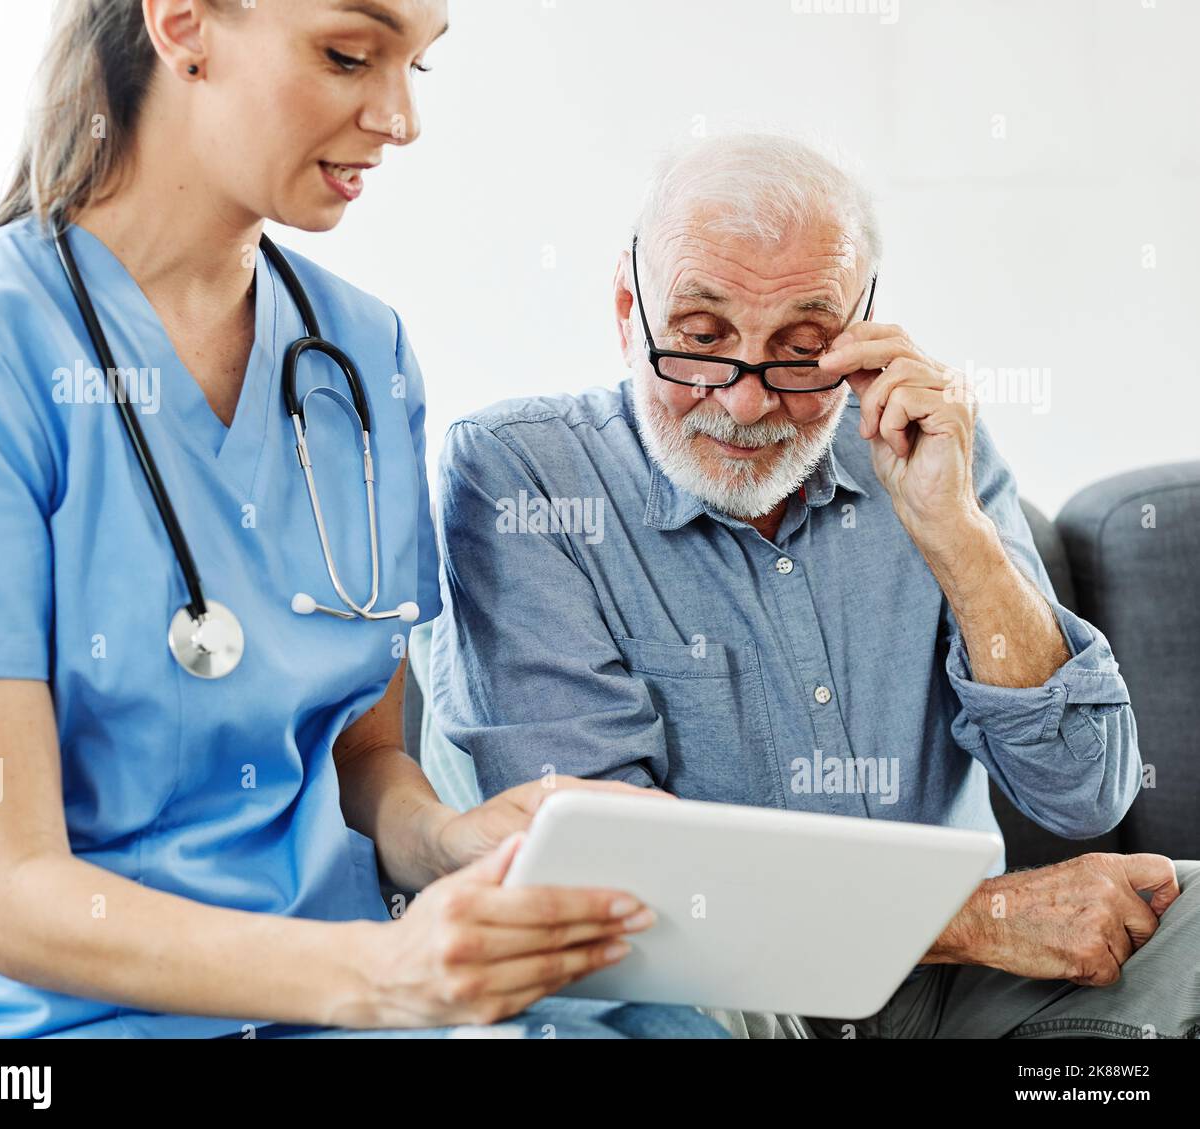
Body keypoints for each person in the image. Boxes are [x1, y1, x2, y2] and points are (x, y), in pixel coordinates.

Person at [0, 0, 727, 1041]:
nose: (398, 118)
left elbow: (357, 758)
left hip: (341, 997)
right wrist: (382, 969)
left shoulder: (361, 356)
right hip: (56, 1019)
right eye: (348, 55)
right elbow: (7, 893)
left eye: (414, 68)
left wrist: (450, 840)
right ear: (183, 23)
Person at [428, 132, 1200, 1039]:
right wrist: (981, 919)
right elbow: (608, 882)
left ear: (863, 331)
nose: (744, 401)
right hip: (712, 984)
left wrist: (956, 536)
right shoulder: (523, 474)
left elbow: (1083, 793)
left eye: (801, 350)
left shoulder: (929, 449)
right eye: (701, 338)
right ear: (627, 311)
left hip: (950, 994)